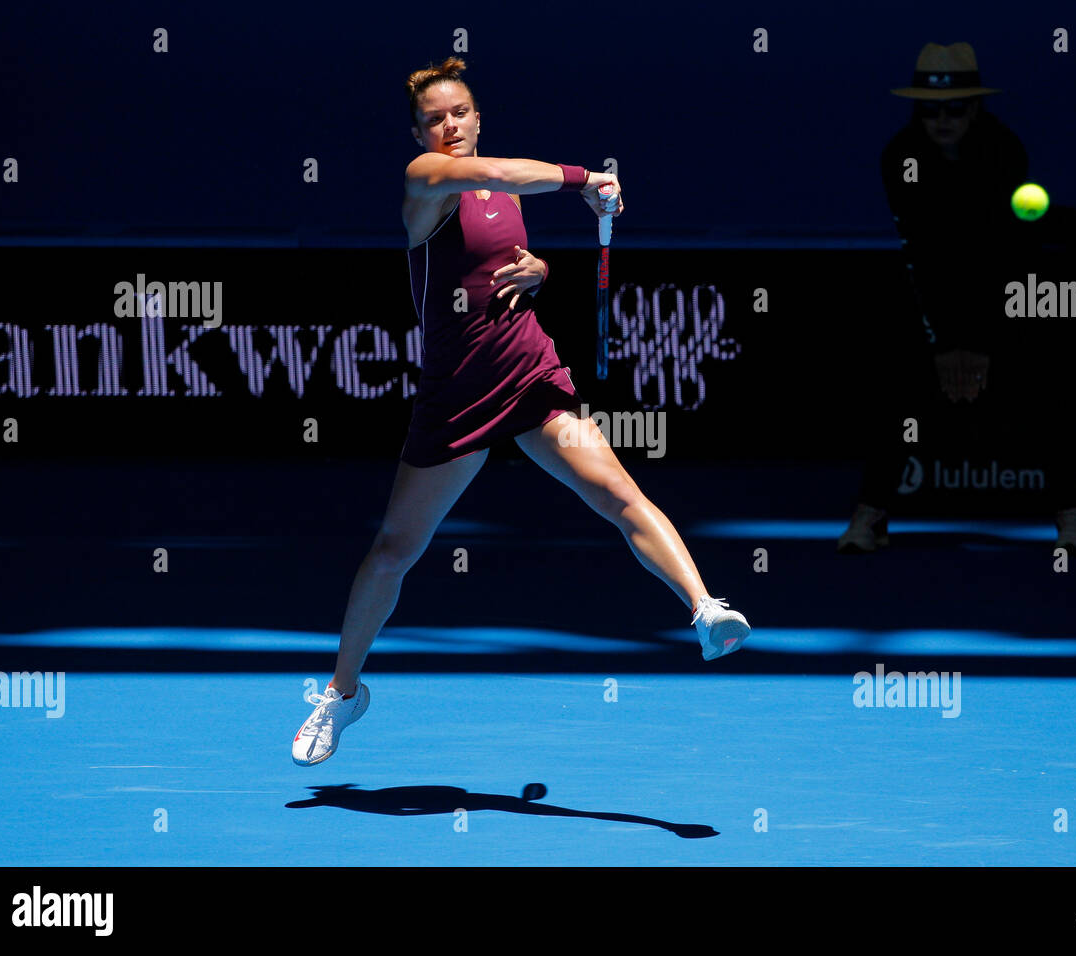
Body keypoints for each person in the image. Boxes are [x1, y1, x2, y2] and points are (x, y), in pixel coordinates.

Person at [292, 57, 752, 766]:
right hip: (455, 396)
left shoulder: (498, 191)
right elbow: (503, 176)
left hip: (528, 373)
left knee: (617, 494)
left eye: (458, 113)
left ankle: (703, 608)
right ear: (417, 133)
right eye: (433, 119)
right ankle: (343, 692)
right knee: (393, 551)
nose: (447, 126)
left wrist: (542, 270)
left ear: (478, 118)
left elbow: (508, 260)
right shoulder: (427, 180)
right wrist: (587, 180)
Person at [838, 41, 1076, 555]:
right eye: (930, 109)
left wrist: (979, 342)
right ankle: (870, 517)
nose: (942, 119)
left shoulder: (1005, 150)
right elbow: (922, 255)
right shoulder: (899, 157)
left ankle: (1073, 518)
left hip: (1004, 290)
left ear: (976, 108)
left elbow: (1006, 255)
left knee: (1043, 389)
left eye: (955, 108)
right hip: (930, 288)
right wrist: (942, 346)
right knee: (898, 393)